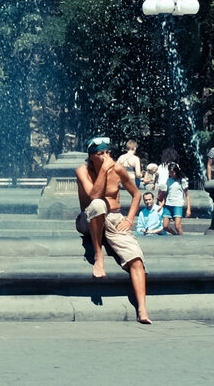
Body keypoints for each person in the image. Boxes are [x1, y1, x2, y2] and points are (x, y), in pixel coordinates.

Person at [74, 136, 150, 324]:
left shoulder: (117, 169)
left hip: (114, 218)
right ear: (91, 156)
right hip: (88, 218)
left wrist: (130, 219)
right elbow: (93, 195)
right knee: (99, 204)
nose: (106, 157)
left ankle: (142, 309)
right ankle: (99, 256)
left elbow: (136, 194)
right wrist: (104, 170)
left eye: (108, 153)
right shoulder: (82, 171)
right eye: (101, 154)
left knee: (136, 258)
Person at [162, 163, 190, 236]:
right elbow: (167, 193)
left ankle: (181, 238)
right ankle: (175, 235)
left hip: (177, 205)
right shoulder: (169, 180)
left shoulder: (182, 181)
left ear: (176, 171)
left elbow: (187, 195)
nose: (171, 174)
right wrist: (163, 203)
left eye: (172, 172)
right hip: (168, 205)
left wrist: (188, 209)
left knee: (177, 226)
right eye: (170, 172)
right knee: (165, 226)